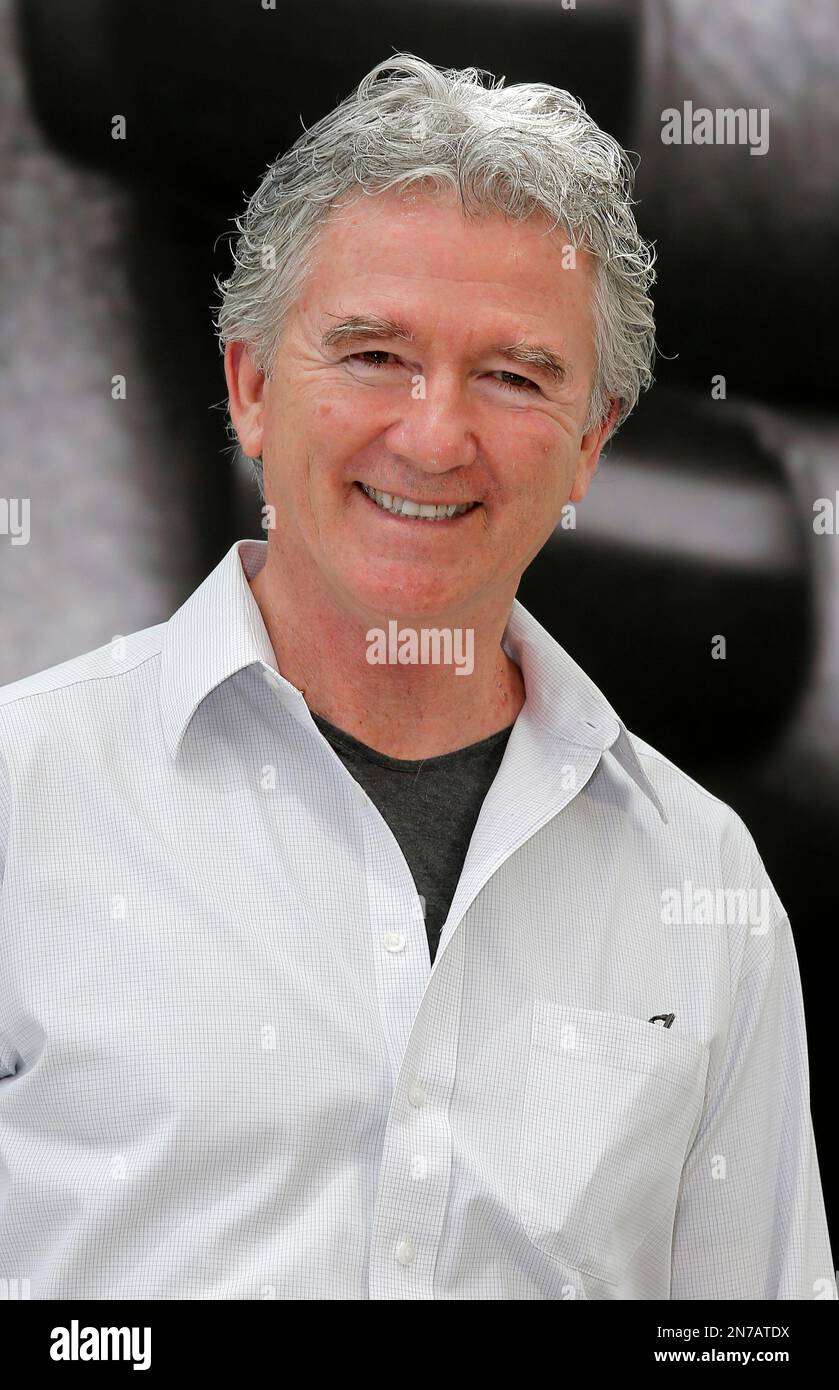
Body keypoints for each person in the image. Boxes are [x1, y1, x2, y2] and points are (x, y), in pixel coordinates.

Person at [0, 53, 833, 1301]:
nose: (435, 435)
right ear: (252, 388)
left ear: (592, 444)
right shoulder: (24, 800)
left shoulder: (700, 882)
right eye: (374, 354)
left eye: (513, 376)